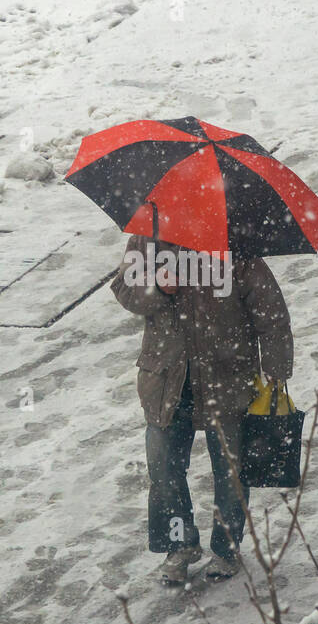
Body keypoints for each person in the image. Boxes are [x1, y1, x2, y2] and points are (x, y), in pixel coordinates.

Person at [111, 234, 293, 585]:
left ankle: (226, 549)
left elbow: (271, 313)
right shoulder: (149, 236)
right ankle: (179, 545)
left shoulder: (234, 243)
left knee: (230, 471)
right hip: (168, 378)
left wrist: (276, 371)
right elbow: (124, 288)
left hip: (227, 376)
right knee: (163, 469)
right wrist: (158, 288)